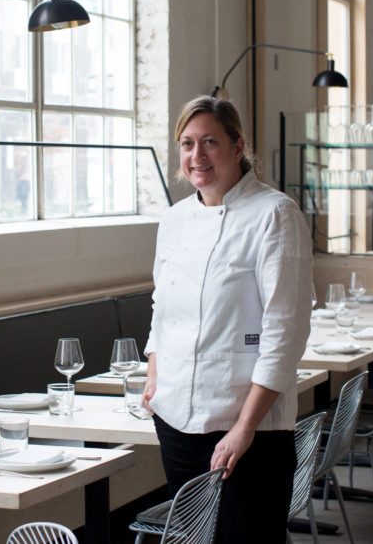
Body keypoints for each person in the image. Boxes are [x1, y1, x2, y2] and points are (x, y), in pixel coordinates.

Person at [141, 96, 312, 543]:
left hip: (247, 429)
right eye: (187, 143)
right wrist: (154, 376)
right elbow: (161, 306)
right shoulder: (174, 220)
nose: (196, 157)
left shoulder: (275, 214)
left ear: (238, 147)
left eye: (210, 142)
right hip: (177, 420)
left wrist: (244, 428)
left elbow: (285, 331)